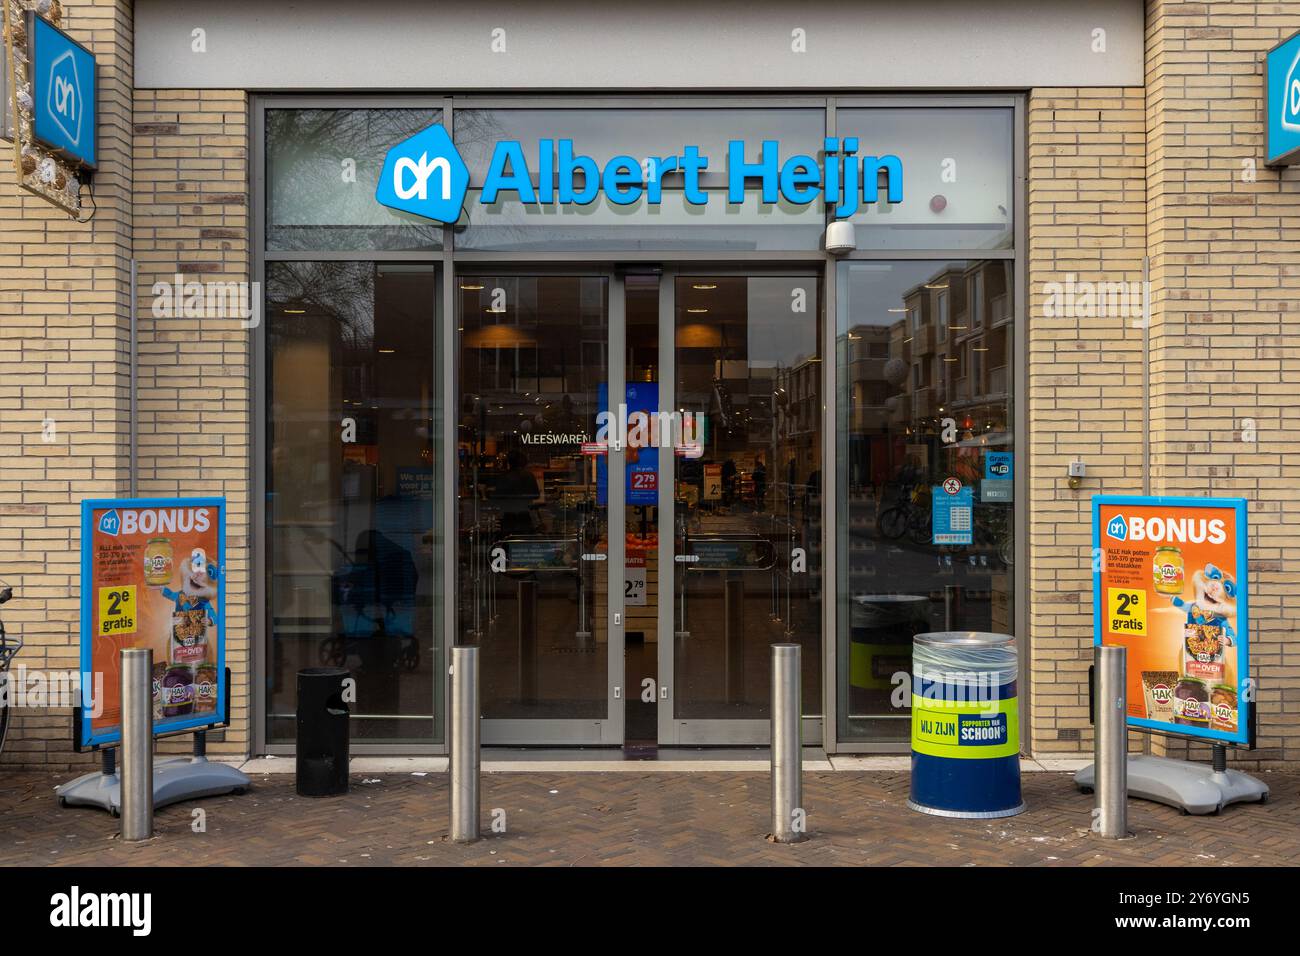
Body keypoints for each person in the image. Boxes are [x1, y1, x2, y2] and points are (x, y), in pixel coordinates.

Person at [494, 450, 541, 536]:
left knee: (508, 541)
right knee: (524, 543)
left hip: (508, 516)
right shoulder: (529, 475)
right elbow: (536, 494)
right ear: (523, 462)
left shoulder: (504, 476)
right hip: (524, 515)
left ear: (509, 462)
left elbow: (497, 496)